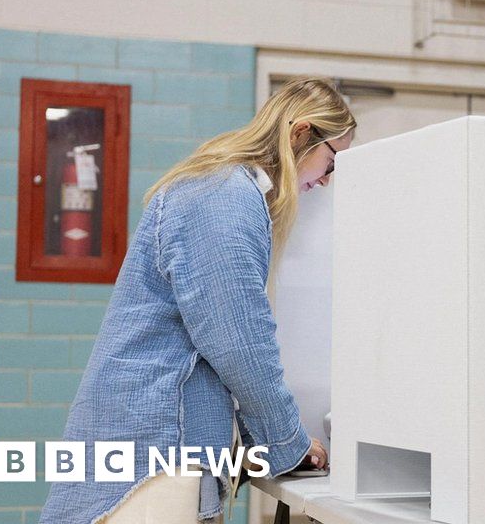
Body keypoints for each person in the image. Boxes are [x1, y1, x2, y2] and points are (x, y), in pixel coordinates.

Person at [40, 76, 356, 523]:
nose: (326, 181)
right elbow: (240, 344)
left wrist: (255, 445)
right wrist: (289, 443)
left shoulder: (223, 189)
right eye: (332, 162)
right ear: (300, 133)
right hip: (153, 452)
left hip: (154, 441)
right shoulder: (224, 195)